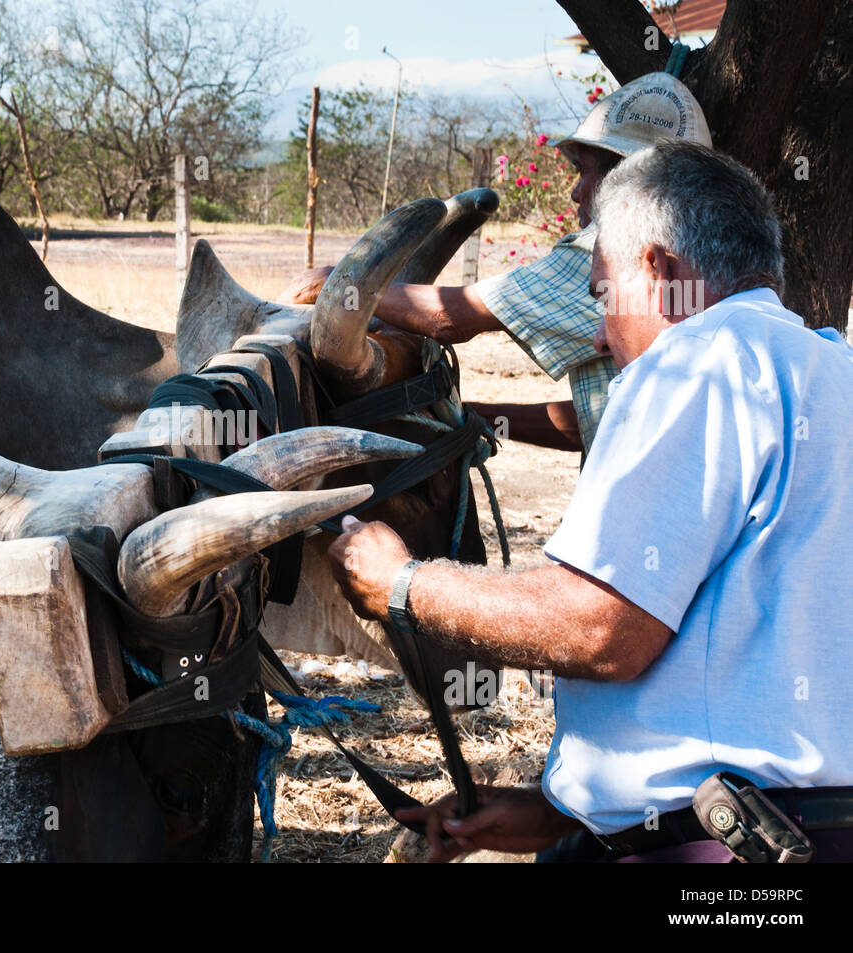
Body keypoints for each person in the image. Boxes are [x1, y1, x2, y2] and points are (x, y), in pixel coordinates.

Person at [327, 140, 853, 862]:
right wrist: (560, 816)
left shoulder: (695, 366)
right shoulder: (834, 371)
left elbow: (604, 629)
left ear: (658, 271)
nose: (603, 334)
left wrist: (403, 583)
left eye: (602, 296)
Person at [277, 72, 711, 456]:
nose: (575, 193)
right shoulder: (711, 257)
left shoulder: (615, 253)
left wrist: (338, 284)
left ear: (625, 179)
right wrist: (474, 415)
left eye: (584, 172)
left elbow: (452, 318)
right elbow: (596, 418)